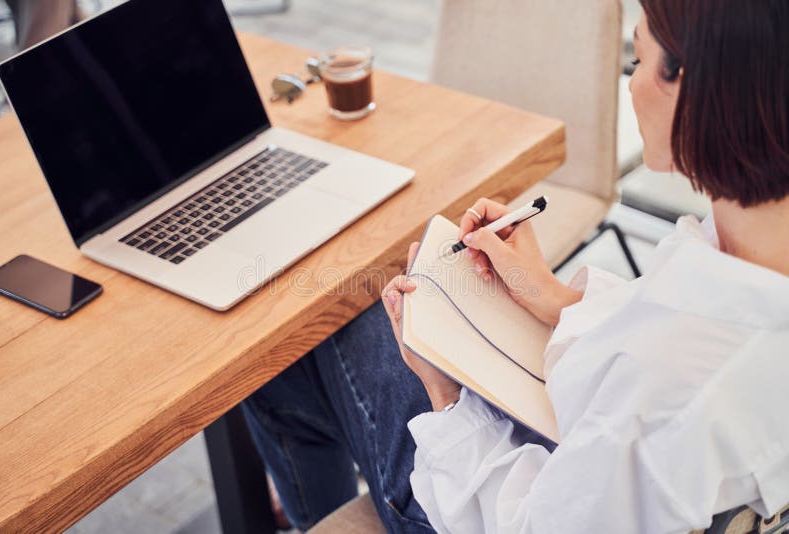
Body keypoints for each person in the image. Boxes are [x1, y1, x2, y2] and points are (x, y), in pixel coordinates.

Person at [243, 0, 789, 531]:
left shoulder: (665, 398)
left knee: (306, 335)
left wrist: (445, 396)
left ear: (693, 91)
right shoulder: (751, 254)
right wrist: (551, 296)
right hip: (584, 455)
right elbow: (668, 325)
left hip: (489, 508)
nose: (630, 83)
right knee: (297, 357)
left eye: (639, 60)